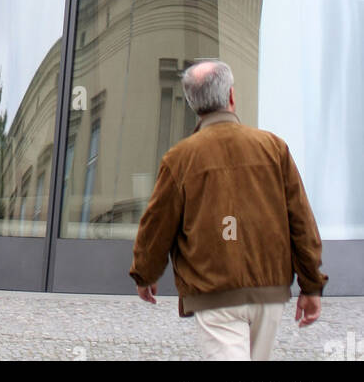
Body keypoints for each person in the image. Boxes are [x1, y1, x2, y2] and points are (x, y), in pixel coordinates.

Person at [130, 59, 326, 361]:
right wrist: (311, 286)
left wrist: (146, 273)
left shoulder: (180, 158)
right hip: (269, 290)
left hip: (213, 291)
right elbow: (301, 222)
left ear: (192, 104)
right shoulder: (273, 148)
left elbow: (157, 224)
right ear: (231, 96)